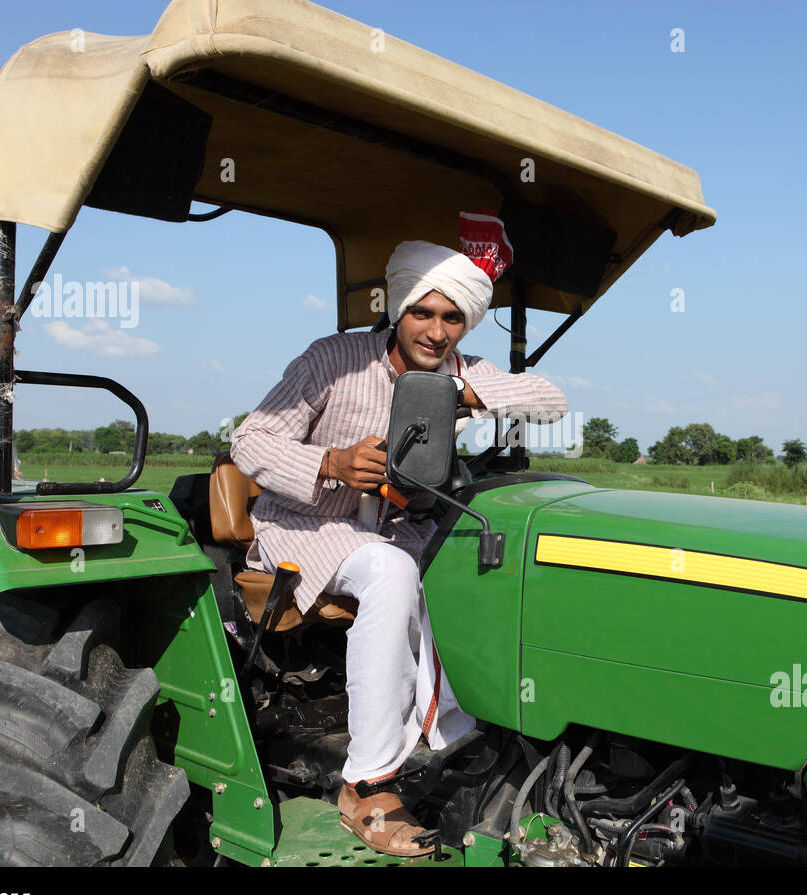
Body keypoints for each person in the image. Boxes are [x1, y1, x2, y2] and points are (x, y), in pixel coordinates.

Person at [230, 232, 566, 855]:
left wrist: (464, 396)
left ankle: (489, 736)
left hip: (398, 526)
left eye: (452, 318)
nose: (436, 332)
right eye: (422, 313)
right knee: (388, 571)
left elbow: (550, 398)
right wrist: (331, 461)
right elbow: (249, 441)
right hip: (308, 527)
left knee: (491, 561)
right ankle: (367, 784)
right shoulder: (332, 359)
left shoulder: (459, 371)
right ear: (396, 307)